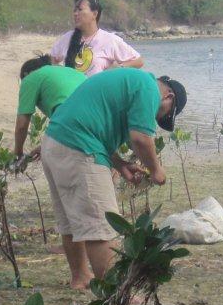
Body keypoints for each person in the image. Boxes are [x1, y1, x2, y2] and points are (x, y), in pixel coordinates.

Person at [41, 69, 187, 288]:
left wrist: (120, 164)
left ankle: (81, 278)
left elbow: (92, 123)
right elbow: (140, 138)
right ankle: (116, 292)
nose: (158, 119)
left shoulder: (132, 82)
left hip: (54, 142)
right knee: (100, 225)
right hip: (79, 146)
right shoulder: (148, 89)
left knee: (72, 221)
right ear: (169, 96)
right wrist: (156, 171)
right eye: (164, 115)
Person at [50, 0, 144, 76]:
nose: (75, 13)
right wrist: (60, 70)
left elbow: (138, 61)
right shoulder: (67, 38)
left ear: (94, 14)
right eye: (74, 10)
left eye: (80, 10)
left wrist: (119, 68)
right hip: (72, 93)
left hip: (97, 94)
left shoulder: (109, 40)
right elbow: (51, 60)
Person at [13, 54, 85, 159]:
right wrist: (46, 147)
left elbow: (21, 126)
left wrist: (18, 154)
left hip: (73, 121)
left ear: (26, 74)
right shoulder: (70, 72)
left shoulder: (30, 78)